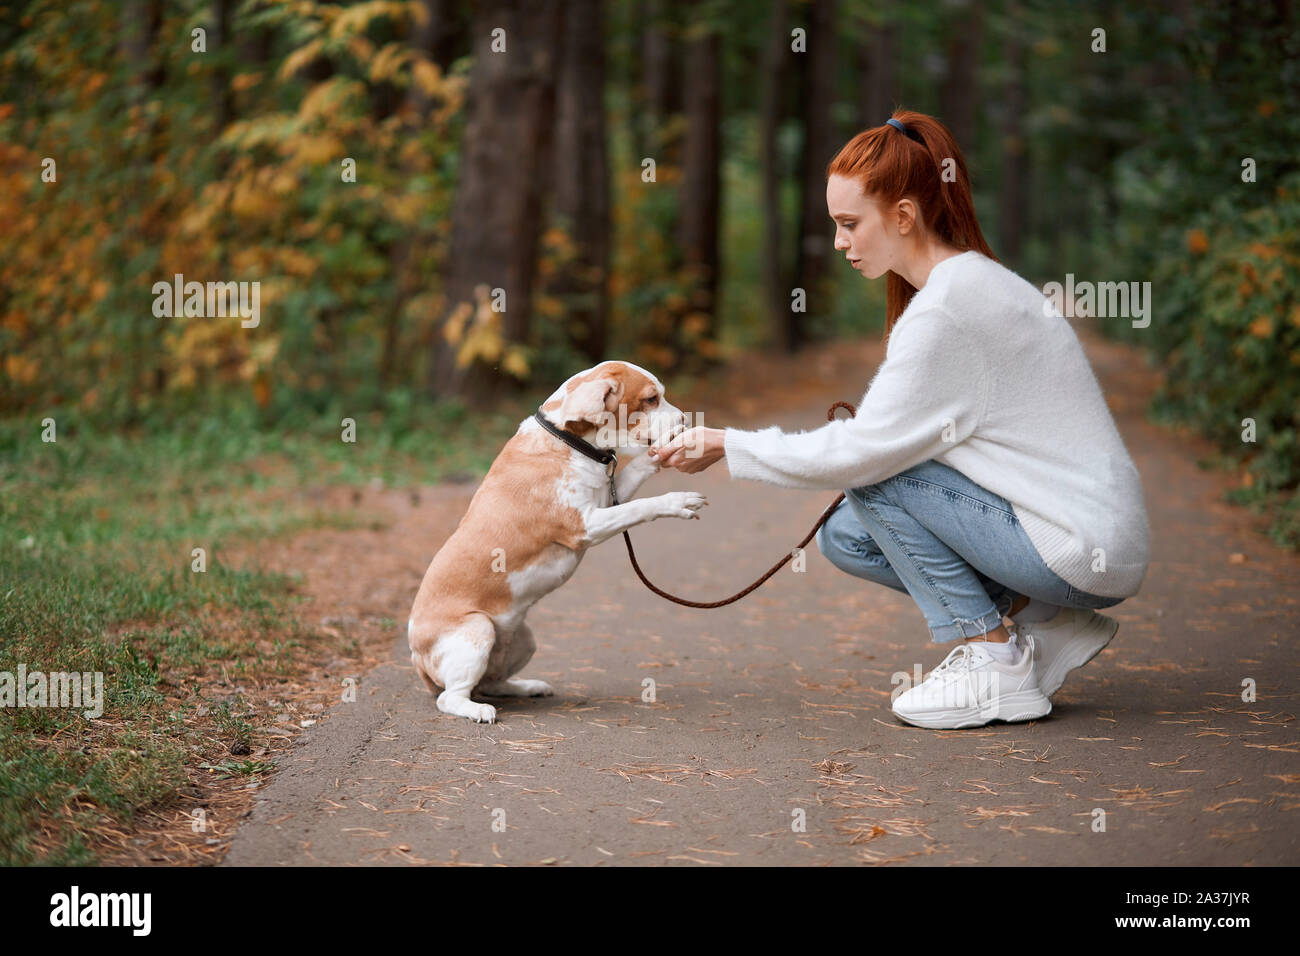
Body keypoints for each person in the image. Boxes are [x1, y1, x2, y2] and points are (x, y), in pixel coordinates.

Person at [648, 109, 1150, 731]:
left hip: (1075, 545)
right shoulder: (976, 284)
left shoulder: (947, 311)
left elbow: (863, 455)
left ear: (904, 217)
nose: (839, 242)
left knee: (876, 475)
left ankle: (994, 660)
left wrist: (729, 443)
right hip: (1087, 543)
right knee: (846, 535)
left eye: (849, 224)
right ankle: (1048, 620)